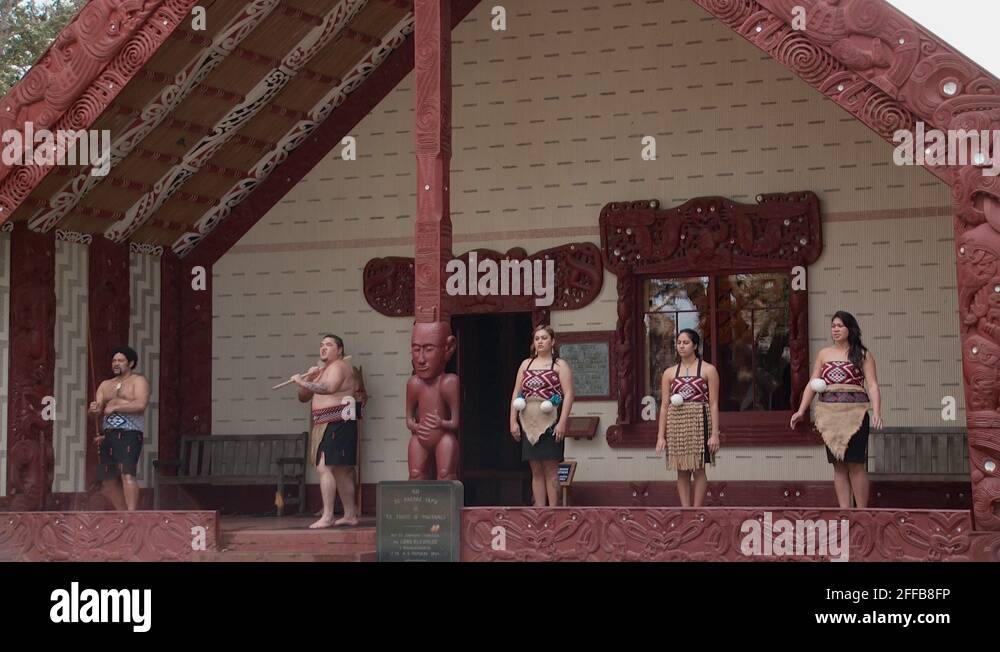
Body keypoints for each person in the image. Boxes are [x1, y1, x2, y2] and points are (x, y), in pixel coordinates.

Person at [791, 311, 882, 508]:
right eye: (833, 326)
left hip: (855, 415)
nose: (836, 329)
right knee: (838, 466)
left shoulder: (863, 354)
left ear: (850, 328)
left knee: (856, 464)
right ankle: (845, 512)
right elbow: (812, 384)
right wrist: (801, 410)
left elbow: (873, 385)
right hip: (829, 416)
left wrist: (876, 411)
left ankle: (862, 512)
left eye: (840, 325)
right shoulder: (824, 354)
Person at [292, 334, 359, 528]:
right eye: (321, 345)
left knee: (325, 466)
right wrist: (308, 378)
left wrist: (303, 382)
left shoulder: (339, 366)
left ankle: (328, 515)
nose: (323, 348)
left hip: (337, 419)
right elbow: (303, 397)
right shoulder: (322, 370)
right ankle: (350, 514)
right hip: (324, 422)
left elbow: (329, 388)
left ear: (339, 350)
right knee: (339, 470)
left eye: (329, 345)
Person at [509, 325, 574, 507]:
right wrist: (513, 421)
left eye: (544, 338)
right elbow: (516, 393)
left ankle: (554, 511)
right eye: (537, 338)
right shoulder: (525, 364)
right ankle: (540, 510)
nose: (540, 342)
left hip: (551, 422)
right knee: (535, 469)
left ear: (552, 341)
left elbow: (569, 394)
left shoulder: (560, 365)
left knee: (551, 469)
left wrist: (562, 423)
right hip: (529, 423)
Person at [655, 329, 720, 507]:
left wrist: (715, 434)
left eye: (686, 342)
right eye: (679, 343)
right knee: (682, 469)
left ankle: (697, 510)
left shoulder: (708, 370)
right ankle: (685, 510)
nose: (681, 346)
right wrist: (661, 436)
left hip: (699, 421)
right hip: (676, 423)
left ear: (695, 345)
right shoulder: (669, 373)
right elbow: (664, 406)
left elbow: (714, 404)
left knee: (698, 468)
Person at [89, 346, 150, 511]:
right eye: (114, 360)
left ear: (130, 363)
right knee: (108, 482)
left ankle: (132, 514)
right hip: (108, 436)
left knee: (127, 474)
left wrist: (116, 407)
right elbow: (96, 411)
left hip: (130, 433)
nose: (116, 363)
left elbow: (140, 405)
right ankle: (123, 514)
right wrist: (94, 409)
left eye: (120, 360)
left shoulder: (138, 381)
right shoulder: (105, 385)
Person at [405, 321, 460, 480]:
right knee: (415, 474)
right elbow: (408, 419)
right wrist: (416, 426)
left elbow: (455, 423)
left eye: (429, 349)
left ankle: (446, 505)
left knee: (446, 474)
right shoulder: (414, 383)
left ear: (448, 349)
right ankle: (416, 505)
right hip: (420, 437)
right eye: (416, 349)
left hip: (443, 437)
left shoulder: (449, 382)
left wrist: (441, 423)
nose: (421, 359)